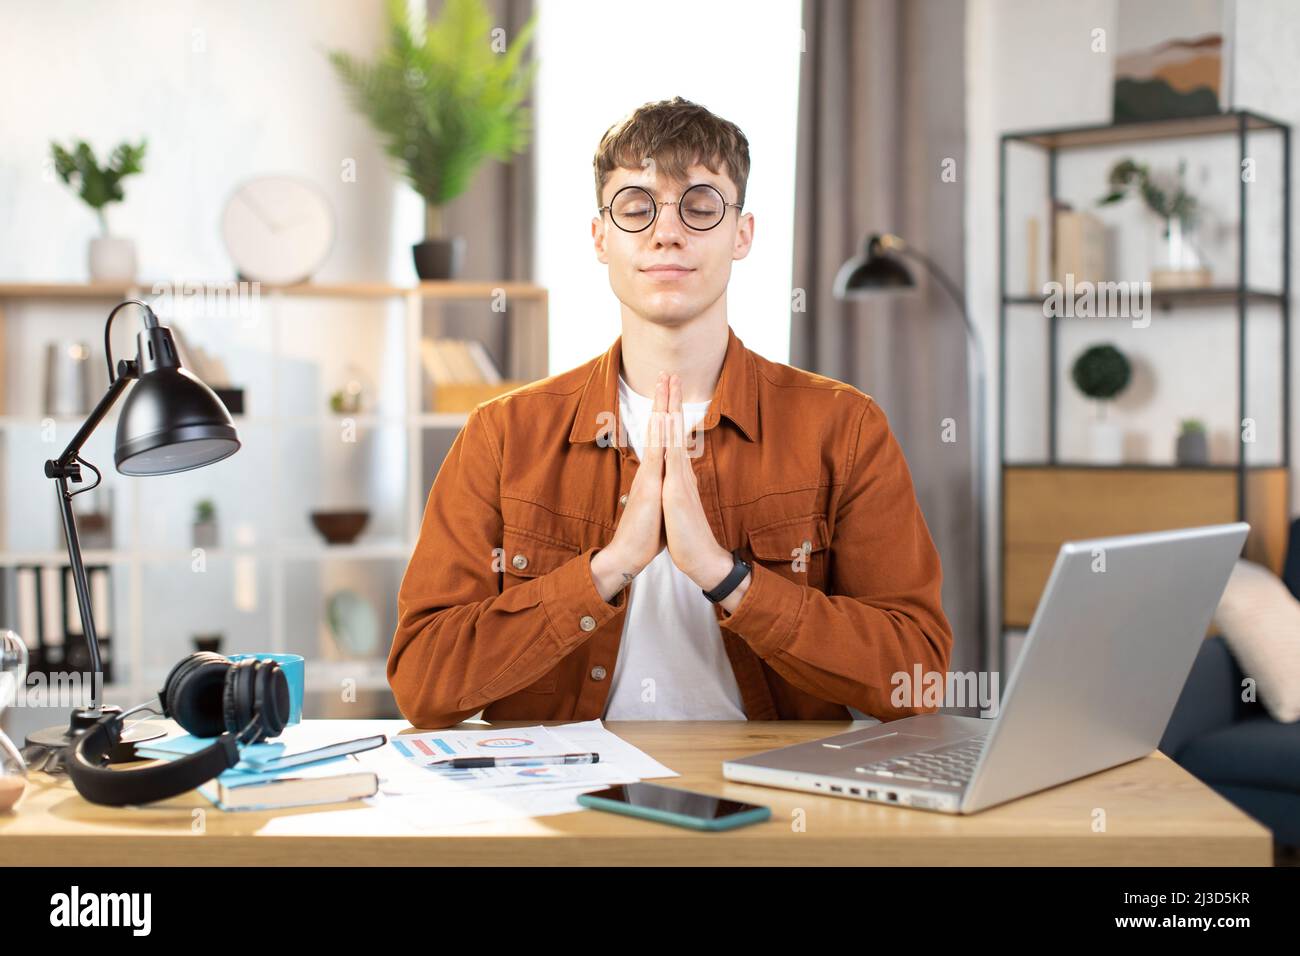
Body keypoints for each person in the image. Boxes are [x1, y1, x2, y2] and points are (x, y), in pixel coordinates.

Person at [389, 96, 953, 728]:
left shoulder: (844, 428)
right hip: (567, 808)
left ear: (742, 234)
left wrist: (723, 574)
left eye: (701, 206)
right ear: (601, 238)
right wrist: (610, 566)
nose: (667, 231)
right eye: (636, 207)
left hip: (768, 804)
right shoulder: (502, 434)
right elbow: (423, 684)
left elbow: (918, 678)